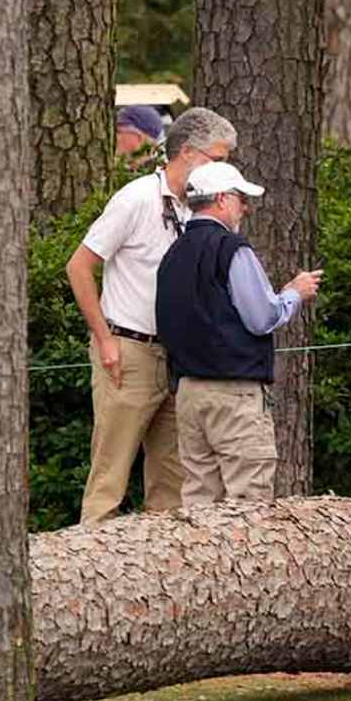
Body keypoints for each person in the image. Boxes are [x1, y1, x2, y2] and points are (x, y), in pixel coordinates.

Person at [65, 107, 238, 525]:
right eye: (219, 159)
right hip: (129, 349)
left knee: (173, 480)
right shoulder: (137, 198)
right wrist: (105, 339)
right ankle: (89, 566)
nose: (225, 169)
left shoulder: (196, 210)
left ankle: (159, 573)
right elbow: (78, 266)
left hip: (177, 355)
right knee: (111, 472)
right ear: (191, 154)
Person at [155, 162, 322, 505]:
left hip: (188, 392)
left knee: (199, 501)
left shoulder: (172, 254)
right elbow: (262, 317)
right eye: (239, 198)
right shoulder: (231, 248)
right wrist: (293, 293)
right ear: (220, 199)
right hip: (234, 394)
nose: (245, 206)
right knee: (249, 506)